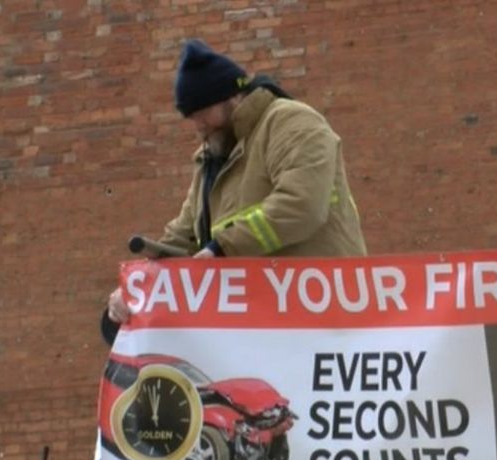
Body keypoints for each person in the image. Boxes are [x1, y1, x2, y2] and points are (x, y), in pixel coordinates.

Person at [103, 39, 367, 340]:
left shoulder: (292, 122)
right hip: (261, 325)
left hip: (323, 316)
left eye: (202, 112)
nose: (198, 125)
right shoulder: (212, 159)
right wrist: (137, 286)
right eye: (190, 116)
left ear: (231, 97)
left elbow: (301, 206)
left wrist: (221, 249)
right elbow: (183, 237)